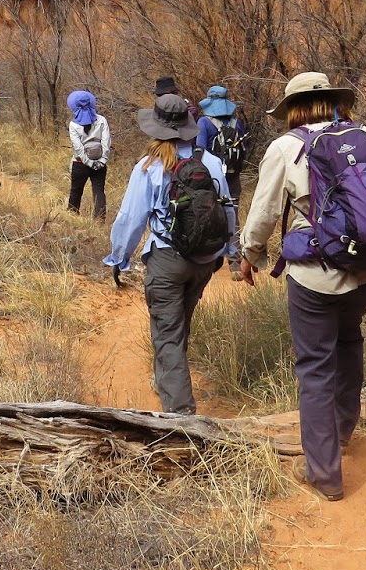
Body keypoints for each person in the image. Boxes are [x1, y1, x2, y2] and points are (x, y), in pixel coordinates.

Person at [238, 72, 366, 501]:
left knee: (315, 366)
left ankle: (325, 476)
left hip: (316, 275)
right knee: (350, 342)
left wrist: (250, 254)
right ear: (336, 102)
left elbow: (263, 212)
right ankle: (341, 435)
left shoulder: (285, 147)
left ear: (293, 108)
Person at [104, 93, 237, 416]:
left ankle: (180, 415)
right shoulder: (211, 163)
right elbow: (228, 210)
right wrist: (228, 249)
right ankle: (167, 381)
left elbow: (131, 219)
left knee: (168, 334)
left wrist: (118, 258)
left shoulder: (149, 167)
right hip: (204, 261)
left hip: (167, 259)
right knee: (179, 327)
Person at [196, 84, 249, 202]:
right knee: (232, 210)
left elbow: (200, 151)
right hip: (233, 175)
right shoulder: (237, 123)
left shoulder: (204, 122)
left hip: (211, 177)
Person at [66, 89, 110, 219]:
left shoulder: (73, 124)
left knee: (76, 191)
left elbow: (78, 148)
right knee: (99, 192)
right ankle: (100, 222)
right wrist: (103, 160)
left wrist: (87, 162)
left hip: (79, 164)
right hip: (100, 163)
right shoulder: (102, 120)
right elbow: (106, 142)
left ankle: (72, 218)